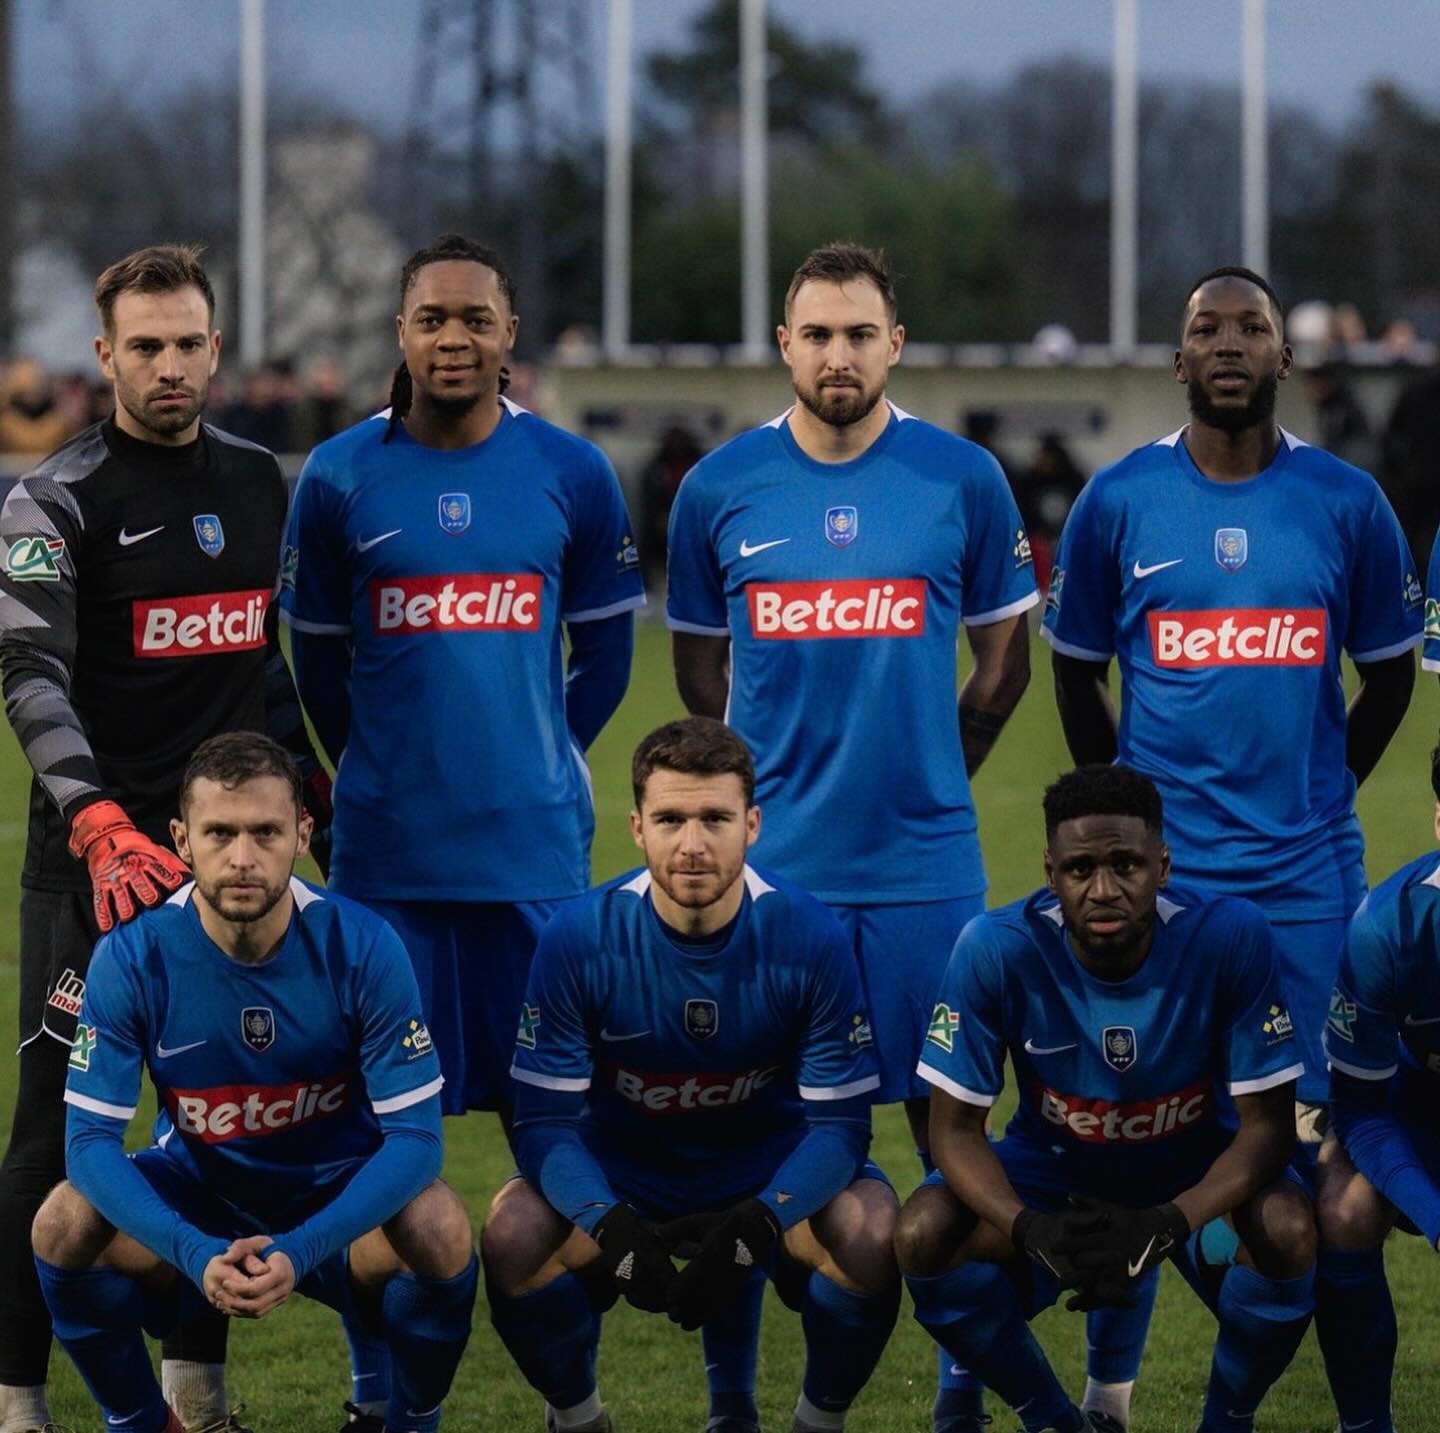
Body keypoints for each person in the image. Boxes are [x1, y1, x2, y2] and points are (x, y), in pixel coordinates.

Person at [666, 241, 1081, 1432]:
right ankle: (734, 1403)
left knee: (949, 1131)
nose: (837, 354)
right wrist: (752, 803)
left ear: (894, 344)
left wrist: (941, 768)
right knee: (744, 1129)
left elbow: (1005, 658)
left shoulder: (962, 478)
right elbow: (700, 675)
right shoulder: (719, 487)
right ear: (784, 345)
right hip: (773, 876)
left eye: (859, 333)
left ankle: (961, 1389)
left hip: (923, 869)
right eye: (817, 334)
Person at [1042, 265, 1419, 1425]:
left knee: (1325, 1175)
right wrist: (1126, 827)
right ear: (1179, 358)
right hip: (1163, 899)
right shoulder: (1118, 500)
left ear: (1282, 356)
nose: (1228, 342)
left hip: (1309, 891)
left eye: (1250, 326)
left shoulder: (1349, 502)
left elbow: (1390, 673)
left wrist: (1326, 789)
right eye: (1206, 327)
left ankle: (1348, 1414)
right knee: (1128, 1139)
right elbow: (1076, 670)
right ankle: (1104, 1391)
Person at [279, 233, 643, 1424]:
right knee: (378, 1159)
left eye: (475, 318)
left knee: (565, 1149)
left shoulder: (572, 470)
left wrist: (540, 748)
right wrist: (378, 770)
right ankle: (378, 1398)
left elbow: (607, 655)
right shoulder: (338, 476)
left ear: (508, 334)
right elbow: (320, 669)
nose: (453, 337)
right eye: (432, 318)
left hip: (532, 866)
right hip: (386, 869)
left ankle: (574, 1399)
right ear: (401, 332)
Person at [0, 244, 331, 1433]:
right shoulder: (53, 497)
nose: (171, 364)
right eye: (146, 345)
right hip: (93, 870)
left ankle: (197, 1388)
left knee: (222, 1122)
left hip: (225, 866)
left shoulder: (258, 482)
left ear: (216, 346)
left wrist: (319, 800)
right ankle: (16, 1399)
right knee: (53, 1132)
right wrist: (96, 821)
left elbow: (260, 666)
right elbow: (28, 671)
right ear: (106, 355)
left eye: (189, 342)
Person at [30, 732, 475, 1433]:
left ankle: (409, 1422)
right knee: (62, 1221)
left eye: (266, 831)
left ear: (301, 832)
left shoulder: (362, 945)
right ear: (181, 839)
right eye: (220, 833)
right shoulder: (133, 955)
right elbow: (87, 1145)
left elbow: (417, 1140)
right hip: (197, 1202)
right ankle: (144, 1425)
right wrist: (193, 1248)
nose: (242, 857)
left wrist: (300, 1249)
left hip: (335, 1204)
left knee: (438, 1223)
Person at [481, 716, 899, 1433]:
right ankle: (578, 1419)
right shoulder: (578, 936)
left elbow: (841, 1128)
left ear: (753, 825)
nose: (693, 844)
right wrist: (607, 1224)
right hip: (625, 1179)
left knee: (872, 1230)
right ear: (637, 828)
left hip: (767, 1173)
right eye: (671, 820)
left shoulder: (810, 935)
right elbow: (543, 1123)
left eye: (715, 818)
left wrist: (761, 1219)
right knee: (512, 1233)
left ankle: (817, 1422)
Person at [896, 764, 1314, 1433]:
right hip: (1054, 1177)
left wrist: (1167, 1223)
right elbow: (954, 1132)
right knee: (922, 1232)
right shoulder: (995, 948)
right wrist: (1028, 1227)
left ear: (1163, 866)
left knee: (1289, 1229)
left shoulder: (1231, 934)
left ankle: (1226, 1422)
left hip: (1193, 1175)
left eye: (1126, 865)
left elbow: (1267, 1129)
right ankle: (1054, 1421)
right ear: (1050, 872)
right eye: (1080, 869)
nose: (1104, 889)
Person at [1312, 737, 1440, 1433]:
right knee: (1343, 1206)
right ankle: (1365, 1425)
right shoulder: (1387, 928)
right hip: (1417, 1114)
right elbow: (1359, 1108)